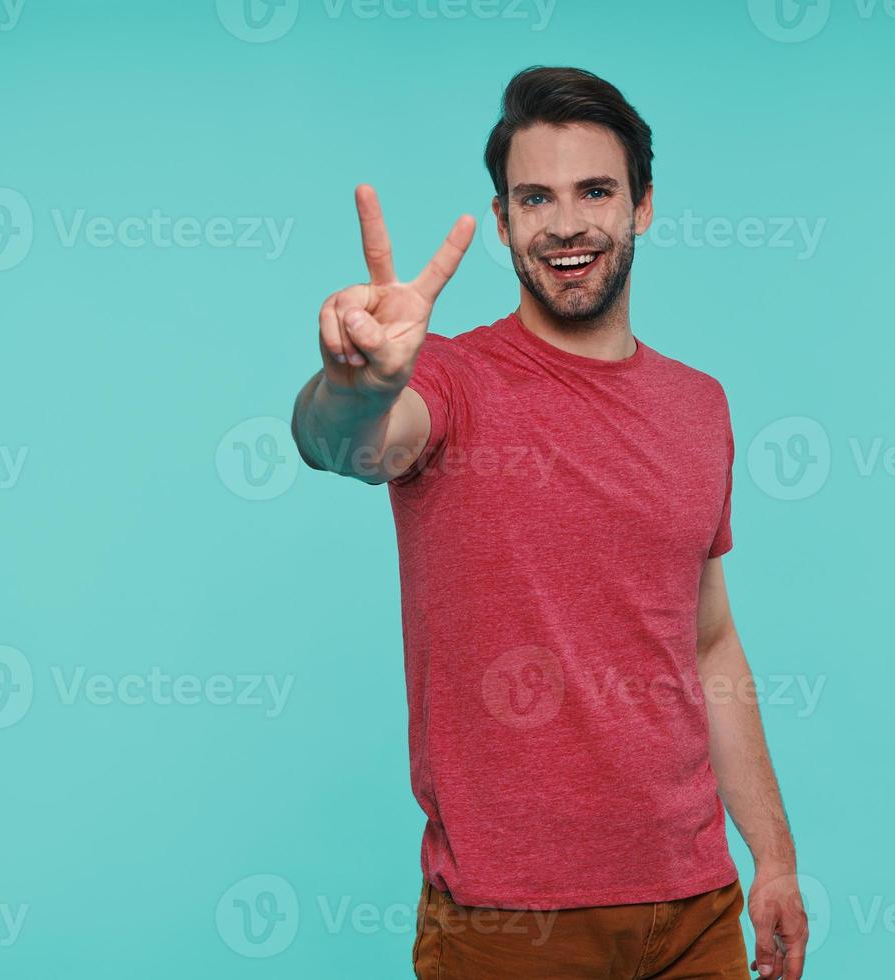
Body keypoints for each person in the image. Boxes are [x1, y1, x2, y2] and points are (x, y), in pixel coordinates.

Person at [291, 65, 809, 980]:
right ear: (503, 224)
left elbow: (712, 641)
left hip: (698, 910)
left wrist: (774, 857)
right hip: (510, 927)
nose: (565, 223)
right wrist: (354, 387)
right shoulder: (451, 380)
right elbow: (346, 447)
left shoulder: (701, 406)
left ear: (642, 206)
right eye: (535, 198)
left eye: (595, 191)